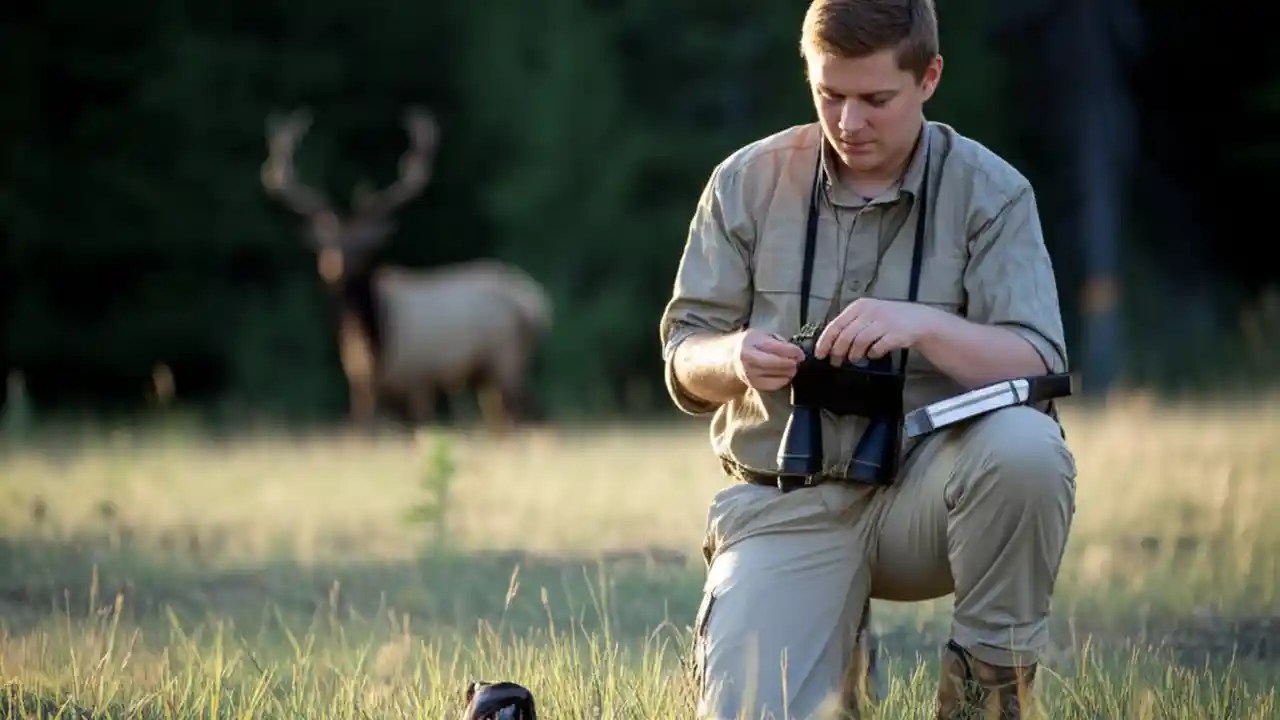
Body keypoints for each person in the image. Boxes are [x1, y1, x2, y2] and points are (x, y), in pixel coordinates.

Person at [657, 1, 1078, 718]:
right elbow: (682, 357)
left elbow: (1037, 360)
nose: (850, 123)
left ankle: (985, 697)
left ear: (929, 78)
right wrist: (734, 356)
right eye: (830, 95)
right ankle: (832, 646)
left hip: (928, 496)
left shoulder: (991, 190)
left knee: (1028, 450)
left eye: (876, 99)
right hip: (786, 501)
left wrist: (921, 325)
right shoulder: (746, 181)